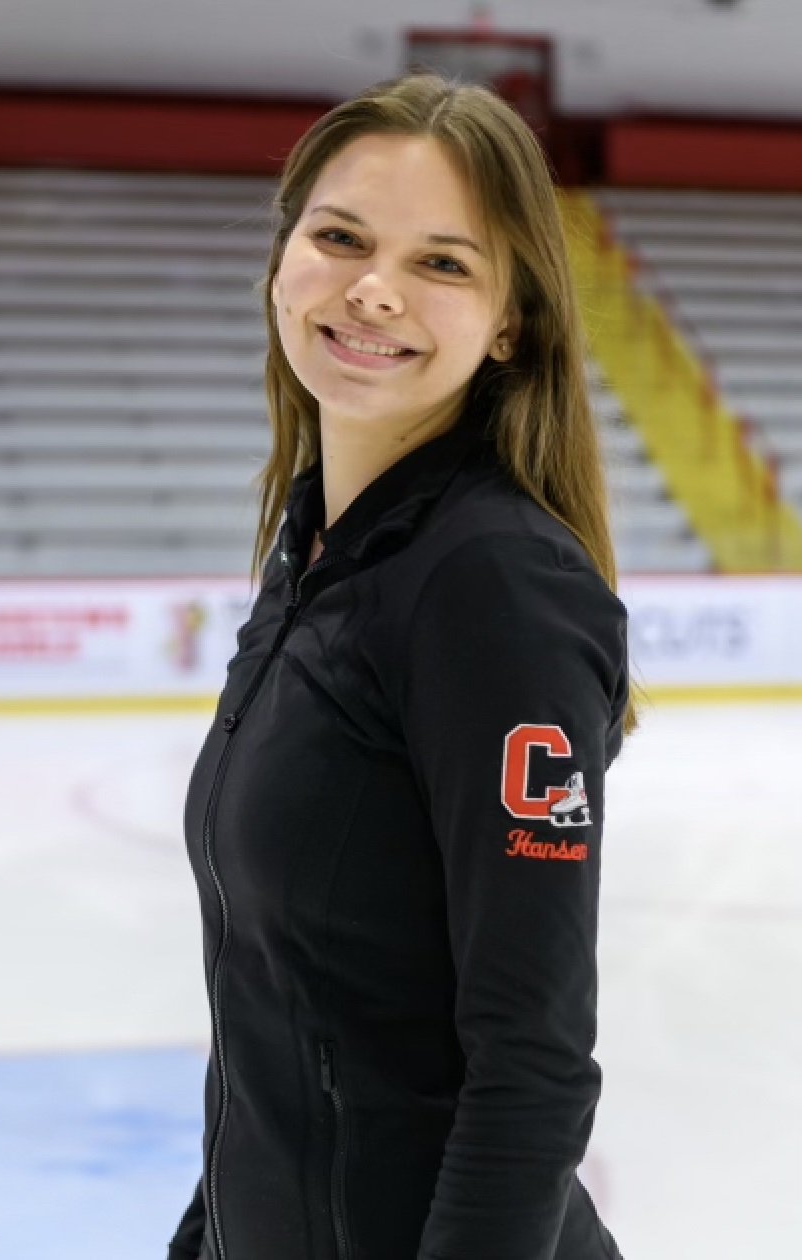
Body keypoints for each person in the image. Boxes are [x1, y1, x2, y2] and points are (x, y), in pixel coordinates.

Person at [168, 71, 636, 1260]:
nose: (371, 288)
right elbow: (274, 1021)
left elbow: (531, 1066)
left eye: (442, 263)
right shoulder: (314, 552)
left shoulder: (492, 587)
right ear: (283, 261)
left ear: (509, 321)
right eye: (338, 237)